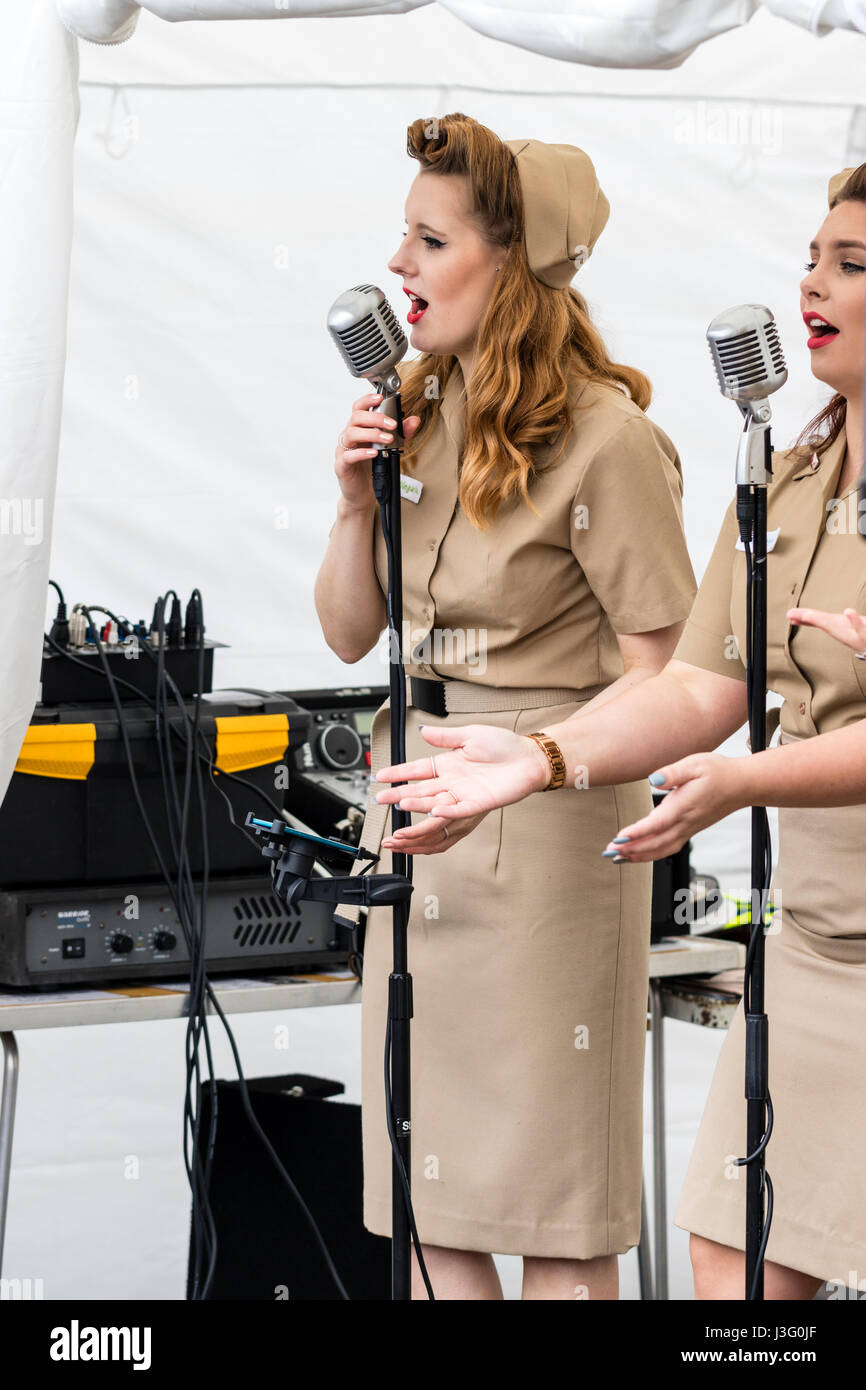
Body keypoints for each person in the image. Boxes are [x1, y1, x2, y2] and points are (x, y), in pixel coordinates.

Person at [373, 163, 866, 1300]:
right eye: (808, 257)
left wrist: (745, 783)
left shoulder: (614, 439)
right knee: (733, 1253)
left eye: (849, 264)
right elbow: (699, 683)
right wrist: (538, 756)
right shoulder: (786, 476)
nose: (809, 283)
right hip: (814, 943)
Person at [314, 112, 697, 1300]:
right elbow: (345, 631)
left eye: (429, 242)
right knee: (432, 1204)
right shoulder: (415, 409)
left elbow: (669, 676)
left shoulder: (607, 440)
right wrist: (352, 501)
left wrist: (529, 756)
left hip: (545, 837)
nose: (396, 265)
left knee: (554, 1206)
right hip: (417, 819)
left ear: (514, 258)